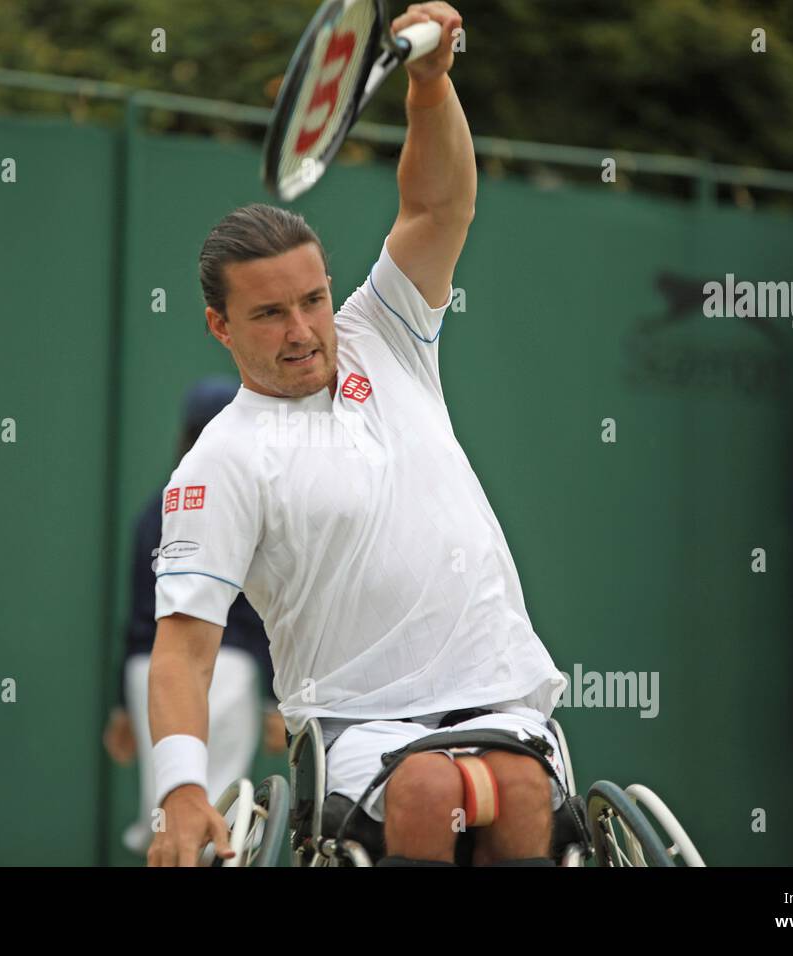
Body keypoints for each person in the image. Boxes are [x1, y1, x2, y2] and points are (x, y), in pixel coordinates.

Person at [148, 1, 568, 867]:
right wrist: (182, 789)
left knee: (519, 793)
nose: (302, 329)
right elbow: (184, 652)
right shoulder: (221, 459)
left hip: (499, 690)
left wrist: (431, 83)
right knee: (428, 791)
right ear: (219, 327)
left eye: (311, 300)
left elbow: (440, 204)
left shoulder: (383, 331)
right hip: (359, 722)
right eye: (269, 314)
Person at [102, 376, 283, 856]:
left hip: (153, 674)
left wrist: (122, 704)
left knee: (172, 816)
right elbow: (261, 613)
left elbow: (137, 620)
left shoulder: (152, 511)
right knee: (215, 819)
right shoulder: (246, 503)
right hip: (226, 668)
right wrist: (271, 699)